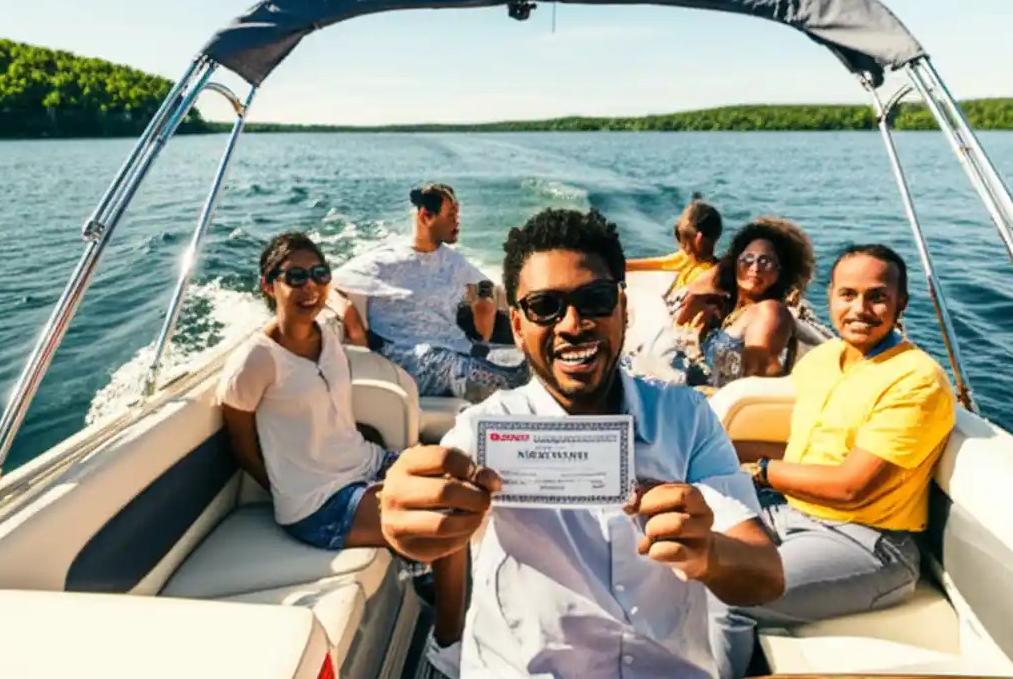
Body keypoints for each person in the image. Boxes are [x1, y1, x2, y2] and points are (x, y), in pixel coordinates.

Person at [377, 208, 785, 678]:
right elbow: (418, 521)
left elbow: (765, 575)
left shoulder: (687, 418)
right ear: (519, 324)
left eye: (594, 299)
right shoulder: (480, 430)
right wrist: (404, 520)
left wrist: (709, 552)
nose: (572, 324)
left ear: (624, 309)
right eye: (544, 307)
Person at [216, 232, 465, 675]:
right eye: (295, 276)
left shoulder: (327, 332)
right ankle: (449, 648)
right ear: (268, 285)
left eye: (319, 274)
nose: (310, 286)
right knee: (445, 526)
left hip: (366, 463)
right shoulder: (256, 360)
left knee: (458, 468)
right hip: (319, 502)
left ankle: (431, 579)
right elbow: (241, 446)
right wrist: (287, 491)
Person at [711, 243, 957, 677]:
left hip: (870, 545)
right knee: (683, 554)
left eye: (877, 296)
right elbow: (808, 451)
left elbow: (851, 485)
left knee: (729, 594)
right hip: (793, 515)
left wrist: (760, 470)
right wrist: (715, 449)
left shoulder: (917, 380)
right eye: (847, 294)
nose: (860, 308)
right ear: (829, 298)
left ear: (901, 303)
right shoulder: (825, 359)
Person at [333, 183, 528, 400]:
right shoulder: (384, 261)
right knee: (444, 362)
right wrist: (351, 314)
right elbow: (327, 285)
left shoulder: (456, 263)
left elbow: (486, 288)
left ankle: (510, 385)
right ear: (426, 216)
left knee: (509, 362)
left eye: (458, 213)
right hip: (403, 357)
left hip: (456, 351)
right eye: (451, 214)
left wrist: (484, 311)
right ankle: (505, 385)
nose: (458, 221)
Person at [680, 217, 816, 385]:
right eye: (748, 259)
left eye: (766, 262)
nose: (755, 268)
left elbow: (756, 388)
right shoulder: (727, 309)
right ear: (735, 262)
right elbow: (695, 288)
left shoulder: (769, 313)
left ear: (781, 271)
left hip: (719, 405)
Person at [626, 193, 722, 302]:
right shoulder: (687, 259)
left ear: (697, 240)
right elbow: (655, 263)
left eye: (679, 234)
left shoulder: (700, 275)